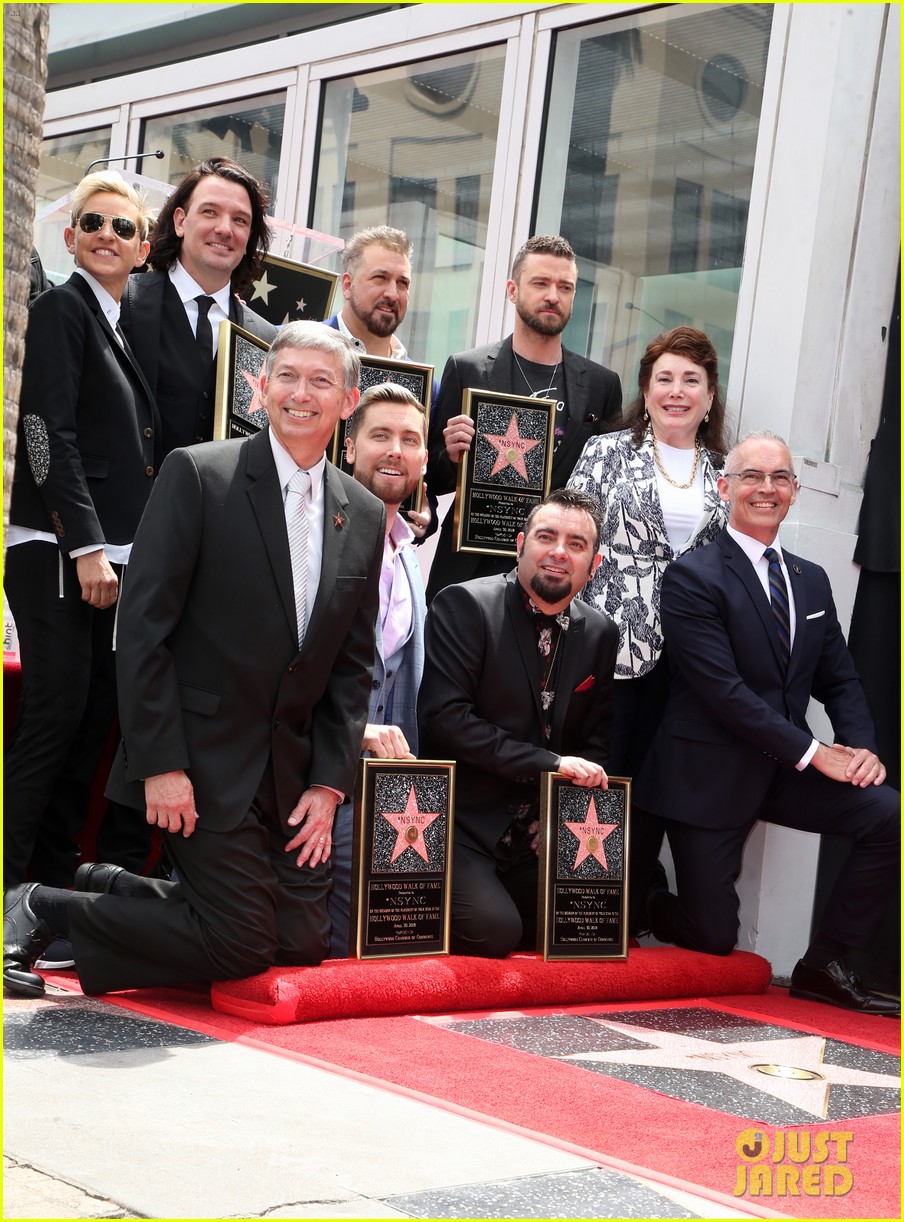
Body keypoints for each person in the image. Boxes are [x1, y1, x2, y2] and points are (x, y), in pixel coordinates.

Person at [3, 323, 386, 999]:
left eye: (321, 381)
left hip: (290, 777)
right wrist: (160, 764)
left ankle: (114, 889)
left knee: (300, 943)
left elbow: (352, 667)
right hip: (199, 761)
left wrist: (329, 785)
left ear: (348, 401)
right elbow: (142, 630)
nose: (301, 393)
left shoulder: (364, 511)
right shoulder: (200, 474)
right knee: (242, 943)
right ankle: (44, 905)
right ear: (261, 387)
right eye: (287, 376)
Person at [633, 432, 900, 1015]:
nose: (766, 488)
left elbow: (840, 679)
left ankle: (822, 966)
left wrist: (860, 748)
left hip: (782, 767)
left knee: (890, 815)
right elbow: (723, 694)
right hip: (707, 774)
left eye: (779, 477)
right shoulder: (691, 576)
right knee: (713, 936)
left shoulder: (811, 579)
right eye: (752, 476)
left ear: (795, 491)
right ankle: (648, 899)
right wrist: (815, 752)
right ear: (725, 488)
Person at [4, 171, 157, 903]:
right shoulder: (61, 309)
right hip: (56, 547)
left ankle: (48, 884)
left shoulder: (117, 322)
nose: (106, 235)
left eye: (123, 227)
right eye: (92, 222)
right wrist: (86, 546)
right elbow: (43, 434)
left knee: (88, 719)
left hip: (107, 554)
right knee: (55, 713)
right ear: (69, 238)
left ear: (143, 248)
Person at [567, 326, 729, 930]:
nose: (676, 391)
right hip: (613, 643)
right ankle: (584, 906)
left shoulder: (727, 471)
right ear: (646, 388)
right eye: (665, 378)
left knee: (662, 782)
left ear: (710, 396)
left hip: (694, 656)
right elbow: (572, 537)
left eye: (691, 380)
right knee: (607, 771)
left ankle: (633, 904)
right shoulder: (607, 452)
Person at [418, 488, 619, 958]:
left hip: (534, 834)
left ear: (594, 565)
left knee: (590, 924)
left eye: (575, 544)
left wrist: (560, 816)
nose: (558, 552)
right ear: (520, 545)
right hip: (461, 823)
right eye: (546, 537)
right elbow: (446, 719)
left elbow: (596, 742)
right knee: (496, 931)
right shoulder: (466, 605)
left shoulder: (601, 633)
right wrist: (550, 764)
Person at [424, 234, 622, 603]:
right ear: (512, 291)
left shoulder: (602, 385)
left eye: (565, 287)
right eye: (540, 283)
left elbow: (605, 488)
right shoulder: (467, 369)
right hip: (471, 571)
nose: (553, 296)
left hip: (556, 578)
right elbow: (432, 479)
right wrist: (450, 456)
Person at [327, 383, 429, 956]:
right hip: (312, 776)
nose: (395, 450)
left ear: (423, 458)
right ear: (349, 446)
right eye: (381, 435)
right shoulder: (321, 532)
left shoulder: (409, 553)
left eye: (410, 440)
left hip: (381, 793)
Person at [119, 155, 277, 459]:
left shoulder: (265, 339)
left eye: (240, 220)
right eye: (210, 212)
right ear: (180, 221)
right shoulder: (123, 301)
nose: (225, 229)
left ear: (249, 239)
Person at [324, 224, 437, 540]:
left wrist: (425, 515)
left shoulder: (427, 386)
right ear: (347, 285)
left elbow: (422, 475)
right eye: (380, 278)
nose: (392, 293)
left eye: (402, 283)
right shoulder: (299, 349)